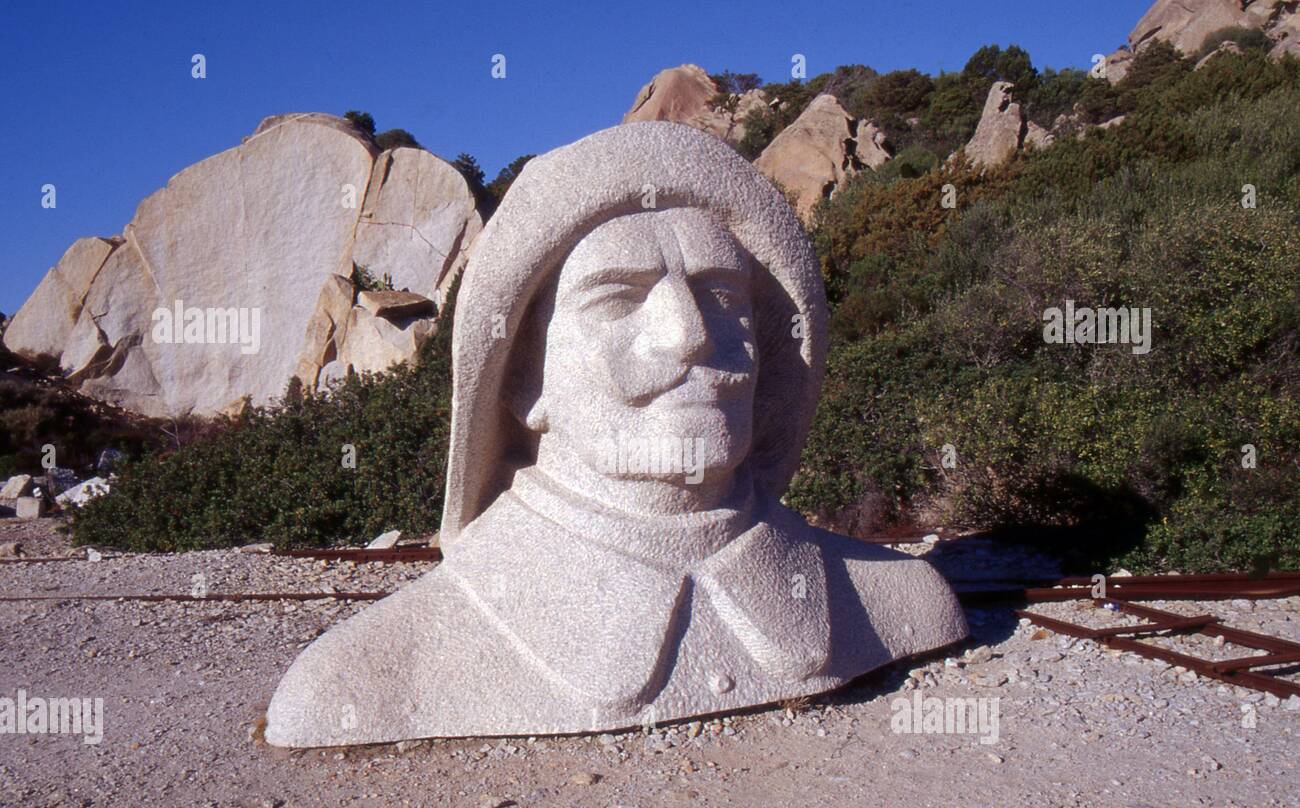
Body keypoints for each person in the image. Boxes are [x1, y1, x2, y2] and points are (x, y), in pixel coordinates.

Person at [266, 122, 966, 746]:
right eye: (617, 298)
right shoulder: (364, 681)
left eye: (722, 295)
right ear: (523, 380)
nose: (690, 335)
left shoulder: (902, 601)